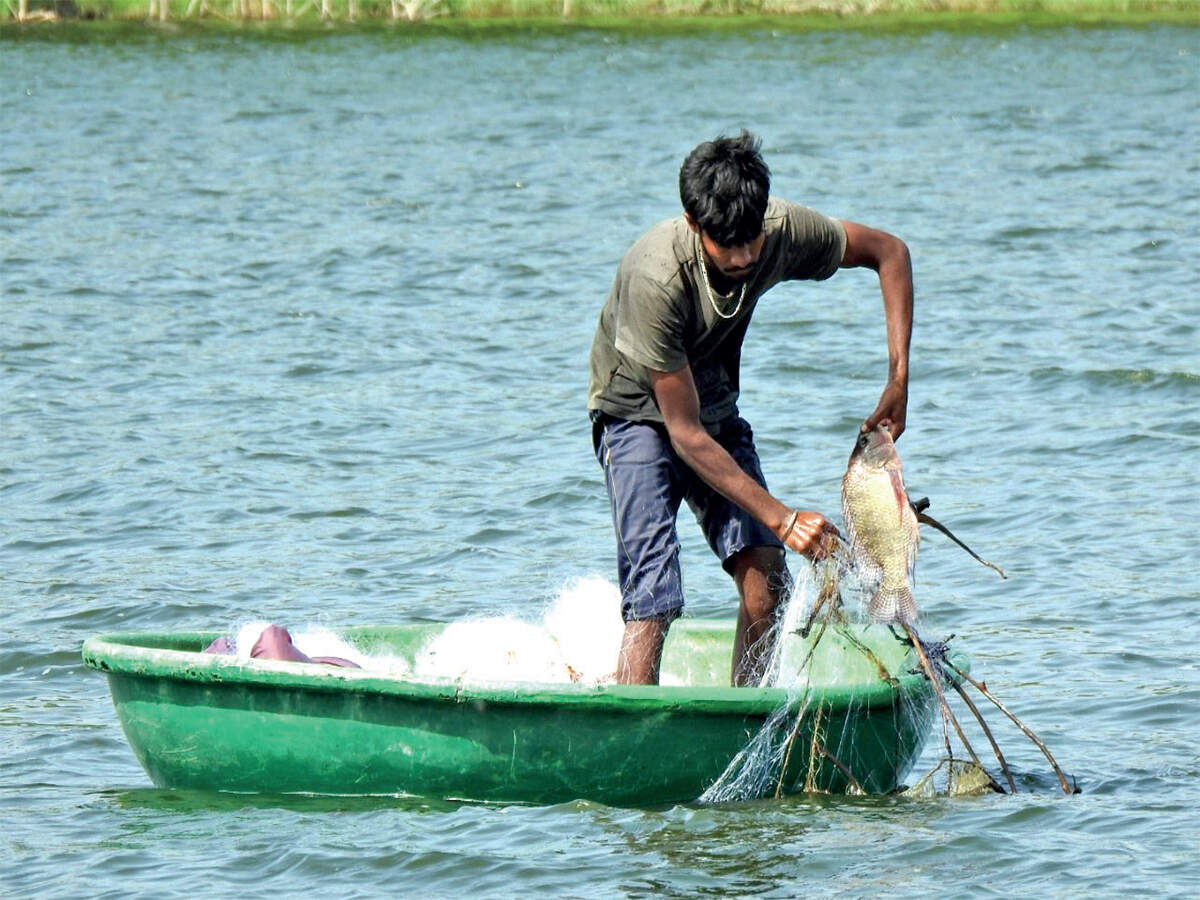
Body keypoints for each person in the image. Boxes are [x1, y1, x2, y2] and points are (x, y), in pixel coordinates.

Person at [586, 131, 913, 687]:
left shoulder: (780, 230)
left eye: (749, 240)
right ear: (694, 225)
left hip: (711, 405)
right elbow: (684, 435)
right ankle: (630, 738)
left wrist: (898, 379)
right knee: (655, 597)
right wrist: (783, 518)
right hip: (635, 414)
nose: (741, 257)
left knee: (767, 575)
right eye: (724, 243)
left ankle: (743, 728)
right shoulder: (656, 279)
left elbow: (890, 253)